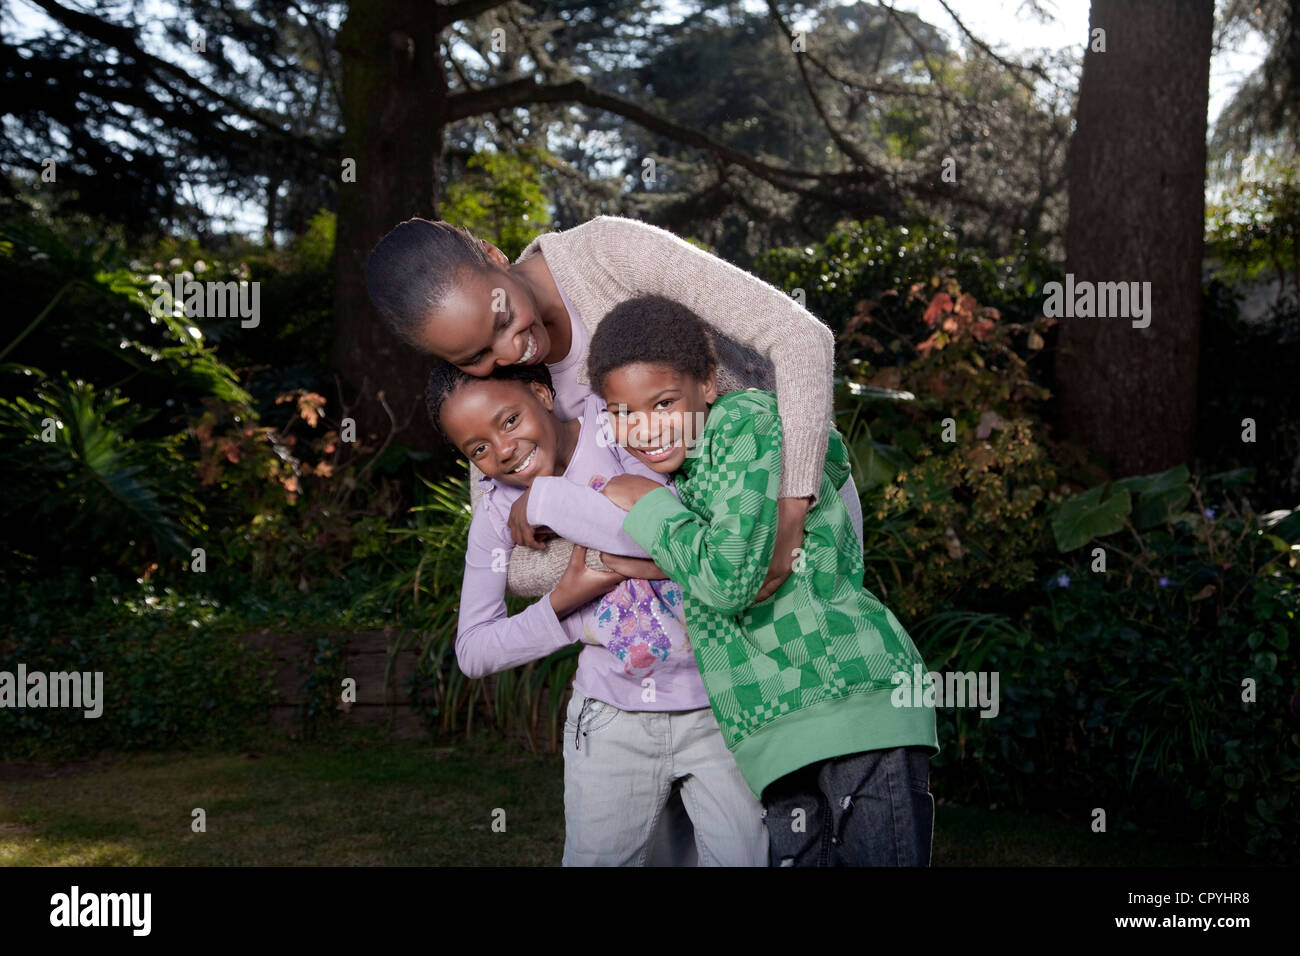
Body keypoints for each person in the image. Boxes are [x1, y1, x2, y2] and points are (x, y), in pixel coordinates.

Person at [584, 294, 940, 867]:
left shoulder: (742, 424)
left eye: (664, 402)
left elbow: (728, 579)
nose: (644, 428)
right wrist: (636, 558)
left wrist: (647, 506)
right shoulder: (696, 467)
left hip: (848, 700)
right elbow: (724, 558)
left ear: (708, 385)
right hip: (774, 727)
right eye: (623, 413)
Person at [364, 216, 864, 610]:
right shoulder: (484, 386)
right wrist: (676, 549)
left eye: (501, 320)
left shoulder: (607, 255)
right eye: (474, 356)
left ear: (494, 257)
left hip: (792, 502)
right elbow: (511, 562)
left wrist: (789, 508)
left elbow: (801, 337)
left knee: (836, 710)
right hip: (693, 584)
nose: (509, 353)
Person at [430, 359, 767, 866]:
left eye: (509, 420)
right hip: (611, 718)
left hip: (721, 703)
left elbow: (683, 538)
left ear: (541, 393)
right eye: (478, 449)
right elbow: (473, 650)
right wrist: (566, 603)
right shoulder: (498, 507)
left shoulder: (614, 424)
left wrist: (551, 499)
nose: (502, 451)